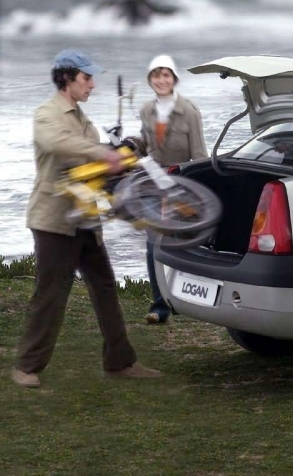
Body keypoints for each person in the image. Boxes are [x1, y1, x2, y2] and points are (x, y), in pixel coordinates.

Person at [11, 49, 162, 388]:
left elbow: (95, 168)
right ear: (67, 78)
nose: (93, 84)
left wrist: (125, 155)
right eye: (87, 78)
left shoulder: (84, 120)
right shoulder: (47, 115)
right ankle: (27, 366)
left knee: (105, 287)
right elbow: (61, 146)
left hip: (86, 218)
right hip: (54, 220)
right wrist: (104, 153)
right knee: (51, 292)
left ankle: (120, 363)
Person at [139, 54, 207, 324]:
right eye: (156, 75)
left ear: (174, 79)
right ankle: (159, 307)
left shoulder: (189, 111)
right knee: (153, 245)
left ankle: (189, 299)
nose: (161, 80)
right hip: (153, 183)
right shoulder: (146, 111)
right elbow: (144, 149)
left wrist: (198, 192)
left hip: (181, 183)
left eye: (166, 75)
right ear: (150, 80)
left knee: (182, 243)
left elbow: (199, 154)